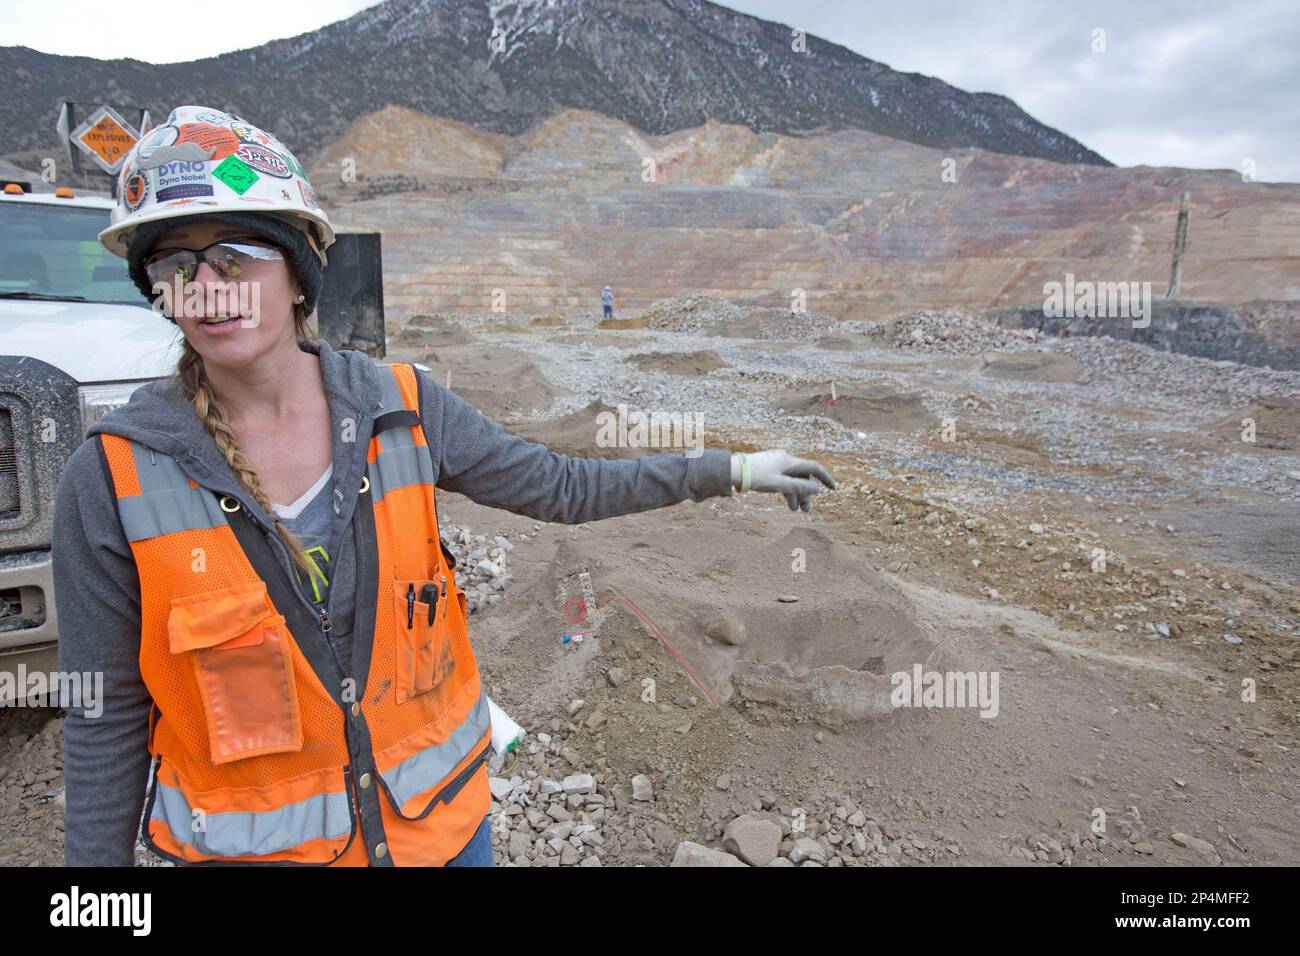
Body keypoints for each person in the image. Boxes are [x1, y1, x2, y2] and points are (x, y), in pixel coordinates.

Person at [52, 105, 836, 868]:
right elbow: (104, 713)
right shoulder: (112, 477)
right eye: (176, 266)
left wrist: (728, 470)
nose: (207, 287)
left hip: (444, 837)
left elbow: (560, 486)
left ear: (297, 276)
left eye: (234, 258)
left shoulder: (404, 407)